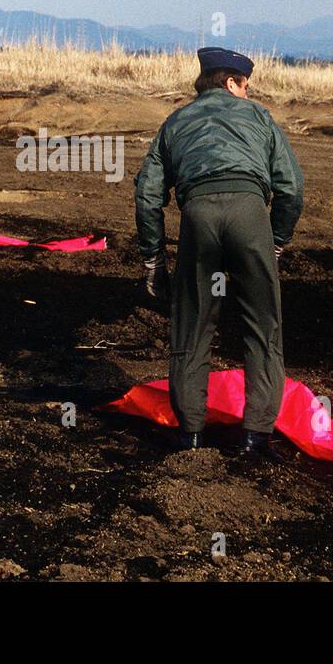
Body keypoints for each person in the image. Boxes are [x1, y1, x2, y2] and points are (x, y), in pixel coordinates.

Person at [134, 46, 304, 457]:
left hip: (198, 216)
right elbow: (292, 189)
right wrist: (276, 242)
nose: (248, 92)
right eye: (246, 85)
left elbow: (146, 195)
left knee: (192, 327)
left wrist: (154, 260)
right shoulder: (260, 117)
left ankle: (190, 436)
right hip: (249, 213)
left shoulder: (175, 121)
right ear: (232, 82)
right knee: (263, 328)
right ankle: (256, 437)